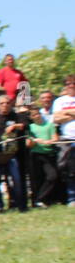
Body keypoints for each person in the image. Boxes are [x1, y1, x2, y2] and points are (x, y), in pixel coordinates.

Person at [50, 75, 75, 205]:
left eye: (73, 83)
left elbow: (61, 116)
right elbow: (56, 118)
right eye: (68, 83)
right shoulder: (59, 101)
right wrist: (73, 113)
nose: (71, 85)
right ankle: (71, 197)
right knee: (65, 168)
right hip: (66, 138)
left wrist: (66, 113)